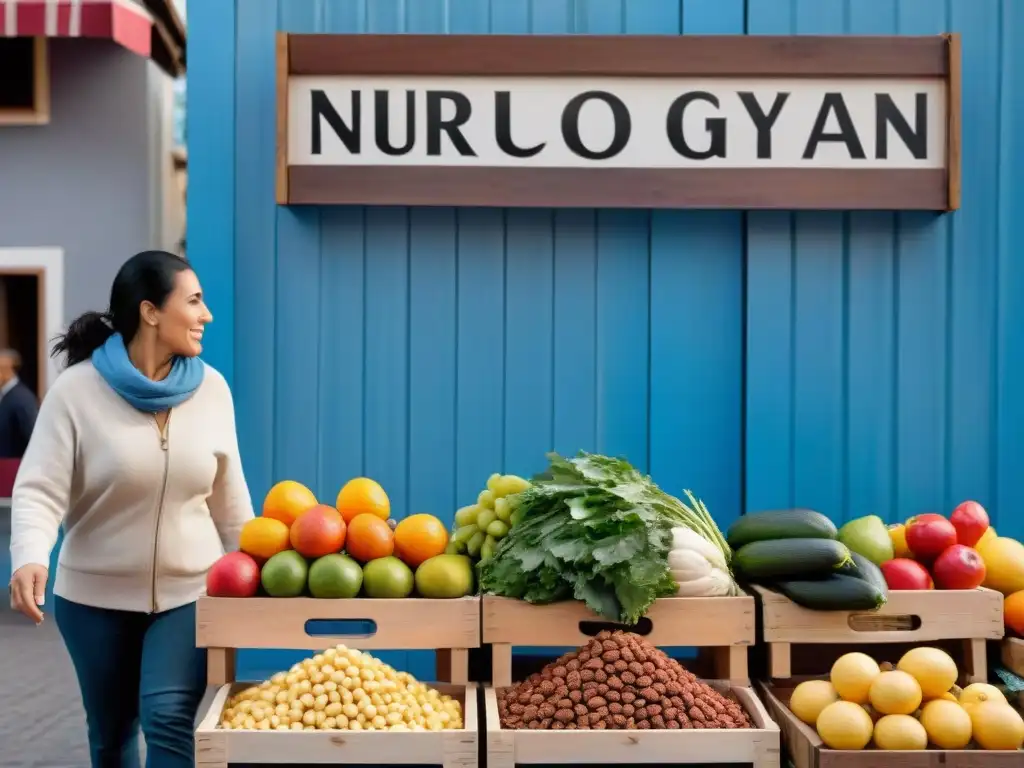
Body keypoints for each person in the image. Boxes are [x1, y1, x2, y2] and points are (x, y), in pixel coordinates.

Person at [7, 250, 255, 768]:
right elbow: (40, 488)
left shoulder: (212, 390)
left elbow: (231, 505)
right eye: (194, 301)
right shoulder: (77, 391)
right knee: (111, 733)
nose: (207, 314)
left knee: (168, 717)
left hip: (190, 593)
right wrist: (29, 556)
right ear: (151, 312)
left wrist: (257, 580)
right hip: (92, 597)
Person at [0, 348, 39, 459]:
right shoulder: (6, 395)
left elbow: (33, 436)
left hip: (14, 465)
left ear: (9, 370)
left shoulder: (22, 398)